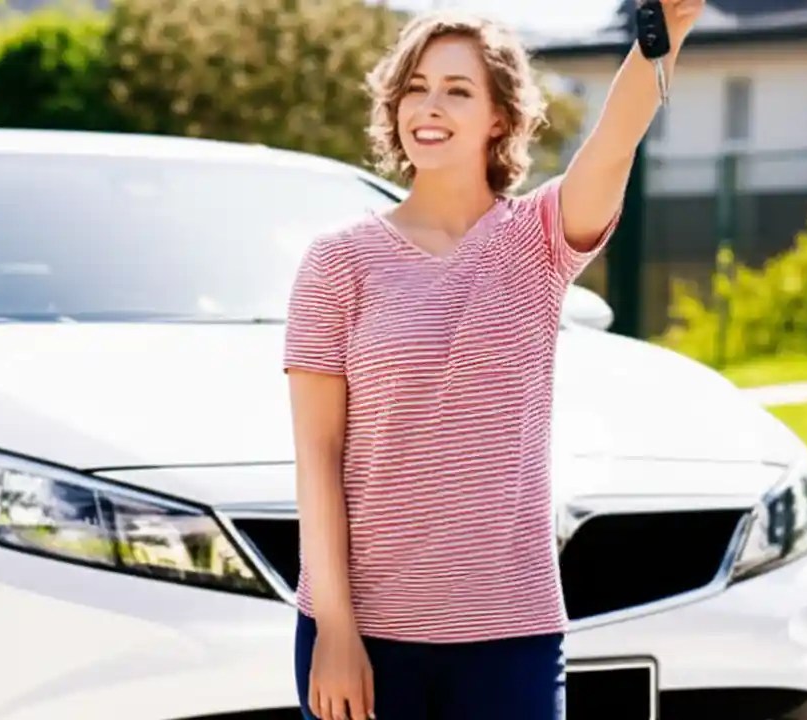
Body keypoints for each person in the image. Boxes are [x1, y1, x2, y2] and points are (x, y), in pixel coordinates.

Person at [282, 2, 704, 719]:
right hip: (367, 636)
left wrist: (664, 36)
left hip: (511, 635)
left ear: (500, 117)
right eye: (415, 87)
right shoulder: (338, 261)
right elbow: (317, 460)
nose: (429, 106)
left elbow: (614, 141)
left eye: (457, 90)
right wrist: (336, 630)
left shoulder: (538, 241)